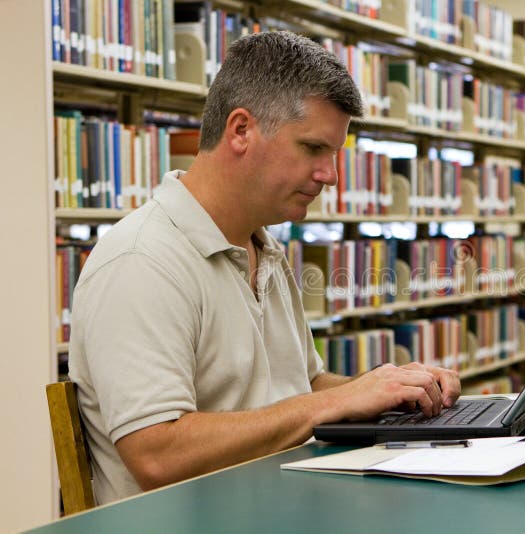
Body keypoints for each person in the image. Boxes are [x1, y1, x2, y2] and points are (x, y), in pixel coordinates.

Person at [68, 31, 461, 505]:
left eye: (334, 154)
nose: (331, 175)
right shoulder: (142, 261)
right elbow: (157, 455)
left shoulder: (263, 247)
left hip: (281, 505)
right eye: (312, 148)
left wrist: (389, 388)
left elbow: (304, 385)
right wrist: (333, 402)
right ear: (241, 131)